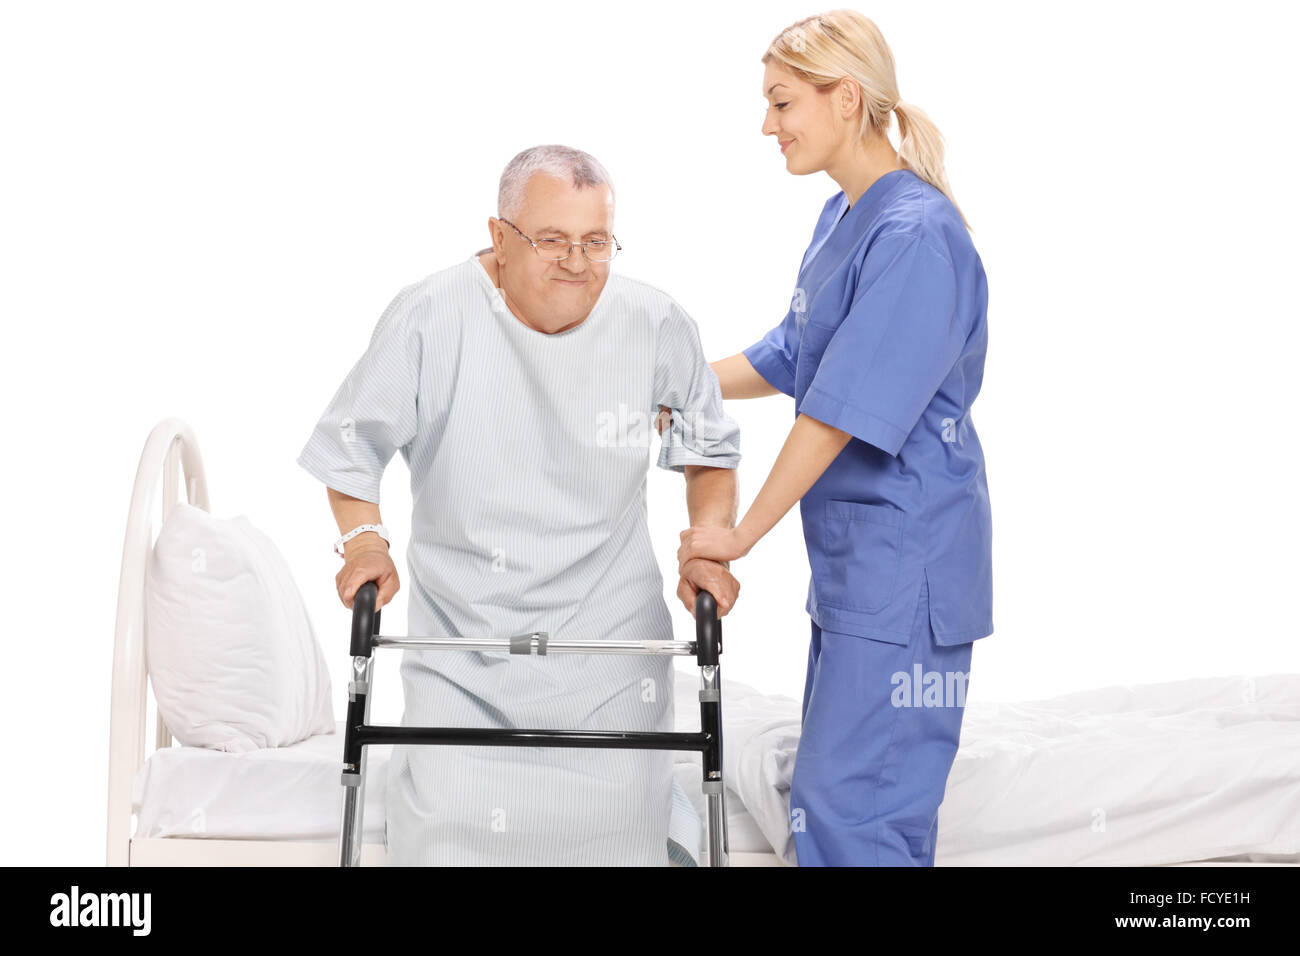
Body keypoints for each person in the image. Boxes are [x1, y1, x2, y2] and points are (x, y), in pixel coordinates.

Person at [297, 144, 742, 866]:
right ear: (500, 239)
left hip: (609, 651)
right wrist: (365, 543)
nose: (577, 260)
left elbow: (708, 451)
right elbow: (350, 451)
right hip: (463, 656)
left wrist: (708, 543)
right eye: (553, 240)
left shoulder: (655, 322)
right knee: (455, 839)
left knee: (611, 839)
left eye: (596, 241)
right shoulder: (430, 317)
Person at [674, 10, 993, 866]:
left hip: (907, 571)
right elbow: (792, 353)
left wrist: (737, 535)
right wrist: (669, 383)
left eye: (782, 103)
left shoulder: (917, 238)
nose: (766, 125)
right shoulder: (842, 217)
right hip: (859, 572)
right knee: (833, 796)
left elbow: (835, 412)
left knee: (852, 811)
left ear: (846, 98)